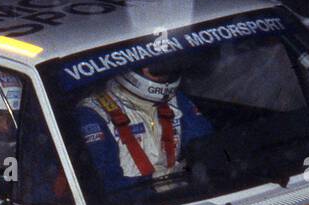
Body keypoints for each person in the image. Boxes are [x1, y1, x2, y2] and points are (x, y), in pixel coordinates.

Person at [75, 62, 213, 194]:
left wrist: (191, 169)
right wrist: (164, 183)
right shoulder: (93, 114)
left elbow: (207, 147)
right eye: (155, 65)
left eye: (166, 63)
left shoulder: (177, 100)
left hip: (178, 197)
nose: (162, 71)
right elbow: (104, 187)